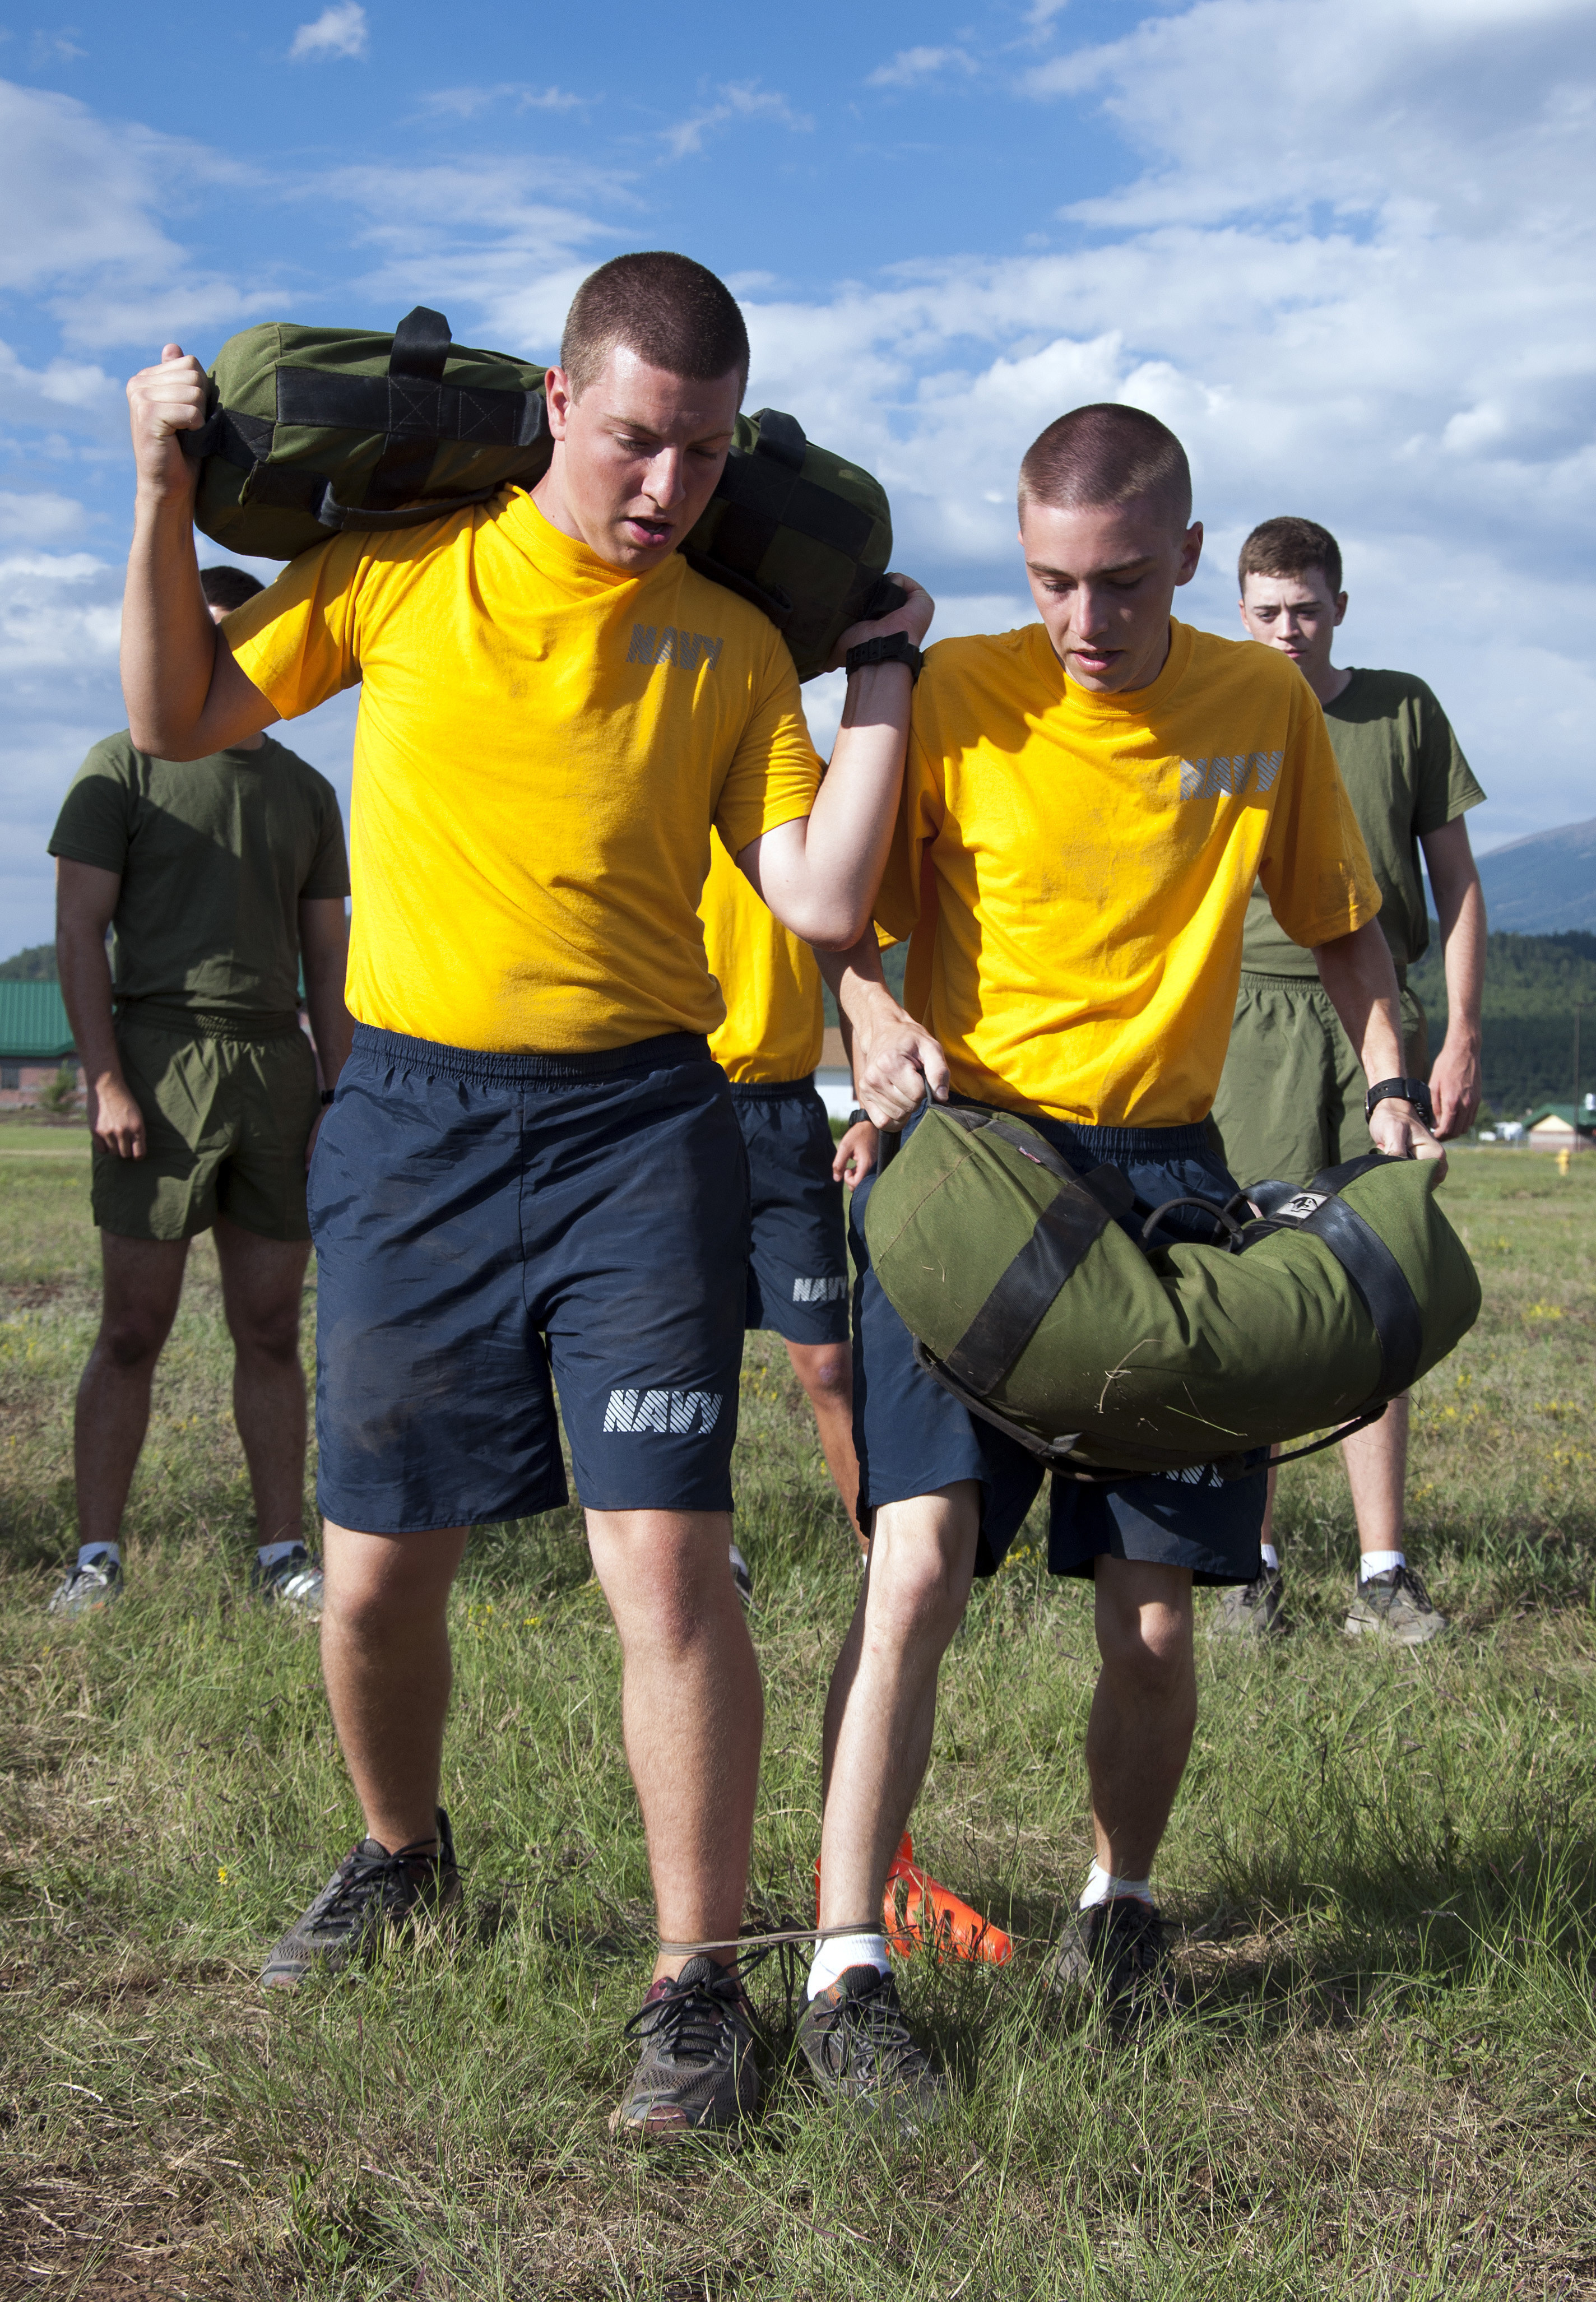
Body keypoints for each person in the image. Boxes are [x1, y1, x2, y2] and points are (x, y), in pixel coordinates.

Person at [119, 249, 929, 2139]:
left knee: (659, 1555)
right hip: (405, 1120)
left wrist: (878, 667)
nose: (667, 489)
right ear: (558, 404)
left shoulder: (729, 652)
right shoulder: (408, 578)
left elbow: (814, 897)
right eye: (639, 441)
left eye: (707, 457)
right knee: (384, 1567)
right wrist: (161, 495)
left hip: (637, 1132)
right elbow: (176, 716)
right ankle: (404, 1848)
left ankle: (690, 1982)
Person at [802, 403, 1444, 2115]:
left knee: (1155, 1618)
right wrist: (867, 1023)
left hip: (1168, 1182)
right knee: (917, 1563)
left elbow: (1343, 921)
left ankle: (1123, 1907)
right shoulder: (955, 696)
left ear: (1184, 553)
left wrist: (1387, 1085)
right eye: (1047, 583)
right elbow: (838, 927)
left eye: (1115, 583)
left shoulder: (1260, 705)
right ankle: (843, 1964)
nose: (1082, 623)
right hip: (977, 1167)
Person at [47, 564, 352, 1622]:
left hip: (274, 1068)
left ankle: (281, 1555)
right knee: (133, 1328)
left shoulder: (308, 792)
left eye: (239, 639)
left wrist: (336, 1097)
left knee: (270, 1328)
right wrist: (105, 1082)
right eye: (205, 637)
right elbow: (79, 933)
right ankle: (96, 1557)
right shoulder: (121, 767)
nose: (221, 655)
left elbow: (329, 965)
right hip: (158, 1059)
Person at [1208, 517, 1486, 1645]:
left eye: (1306, 608)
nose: (1287, 630)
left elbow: (1456, 882)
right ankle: (1246, 1562)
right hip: (1246, 1021)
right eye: (1267, 611)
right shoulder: (1214, 703)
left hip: (1380, 1015)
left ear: (1338, 606)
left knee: (1379, 1285)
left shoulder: (1399, 708)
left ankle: (1381, 1571)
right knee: (1254, 1287)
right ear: (1239, 611)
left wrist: (1458, 1032)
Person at [699, 832, 878, 1575]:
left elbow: (858, 960)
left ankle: (881, 1556)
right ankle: (711, 1558)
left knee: (829, 1366)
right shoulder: (668, 776)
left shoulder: (812, 801)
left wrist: (867, 1106)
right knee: (689, 1355)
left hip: (788, 1116)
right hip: (678, 1105)